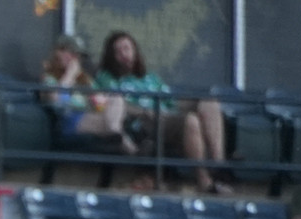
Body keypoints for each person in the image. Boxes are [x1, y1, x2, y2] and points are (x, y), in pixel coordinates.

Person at [95, 30, 230, 194]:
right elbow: (114, 104)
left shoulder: (149, 77)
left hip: (167, 117)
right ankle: (204, 181)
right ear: (111, 56)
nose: (124, 54)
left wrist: (193, 102)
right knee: (190, 121)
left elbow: (171, 101)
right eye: (118, 51)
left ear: (135, 51)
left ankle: (220, 167)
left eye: (127, 48)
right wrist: (146, 111)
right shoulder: (107, 78)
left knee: (209, 103)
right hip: (144, 124)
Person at [40, 35, 135, 155]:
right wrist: (70, 75)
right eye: (73, 54)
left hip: (92, 115)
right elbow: (56, 99)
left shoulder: (84, 79)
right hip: (70, 120)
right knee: (116, 130)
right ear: (59, 52)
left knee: (116, 98)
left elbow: (100, 101)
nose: (76, 59)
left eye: (78, 56)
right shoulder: (49, 78)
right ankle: (136, 154)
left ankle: (123, 141)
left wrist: (97, 98)